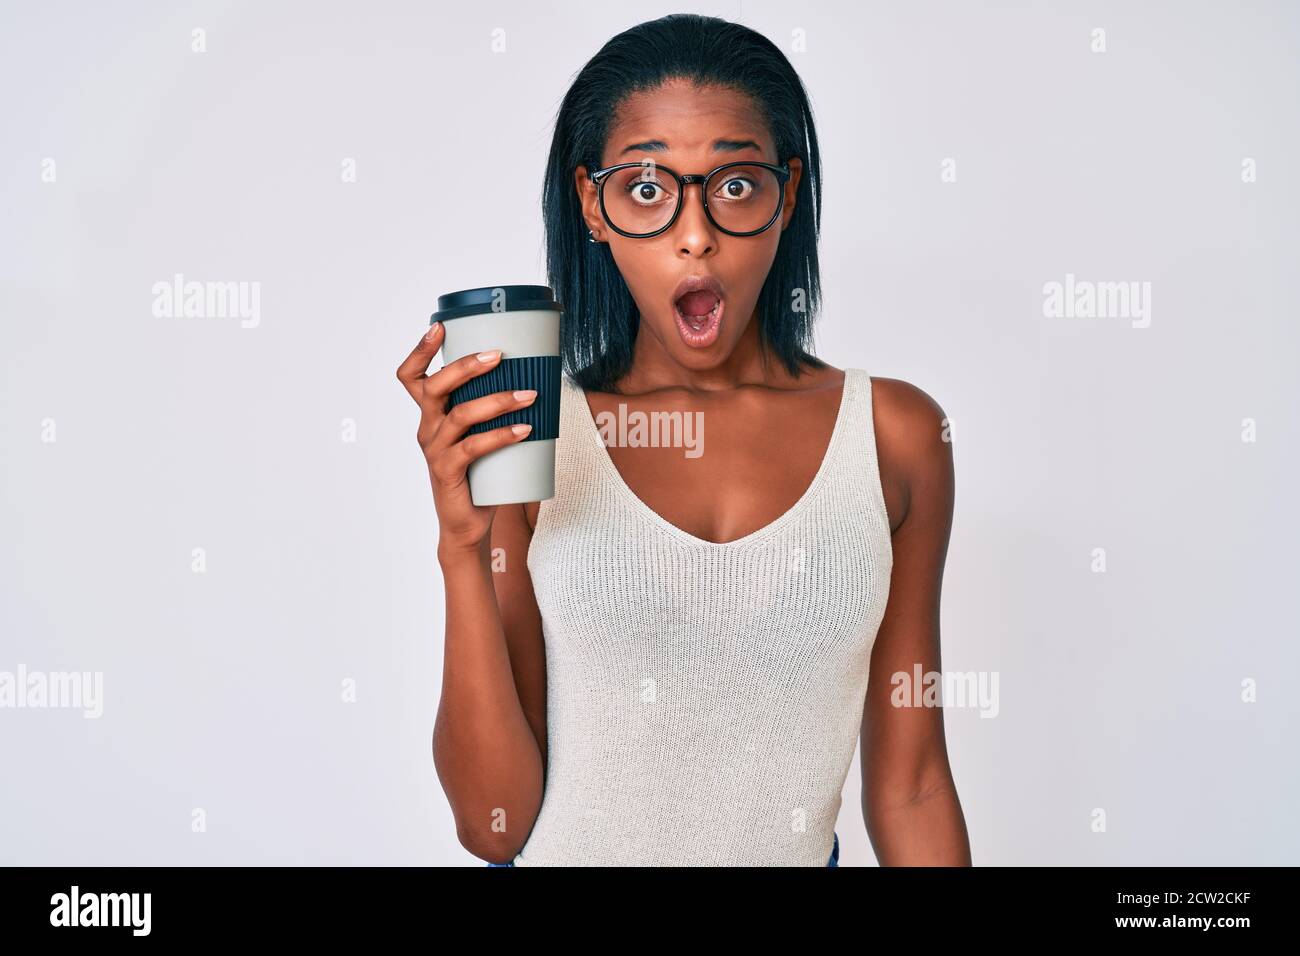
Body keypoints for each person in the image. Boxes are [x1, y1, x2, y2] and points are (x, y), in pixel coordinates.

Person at [397, 13, 970, 866]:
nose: (695, 234)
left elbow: (913, 783)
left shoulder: (897, 437)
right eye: (648, 189)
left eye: (735, 185)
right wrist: (462, 545)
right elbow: (496, 824)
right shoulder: (535, 435)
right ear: (594, 204)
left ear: (789, 193)